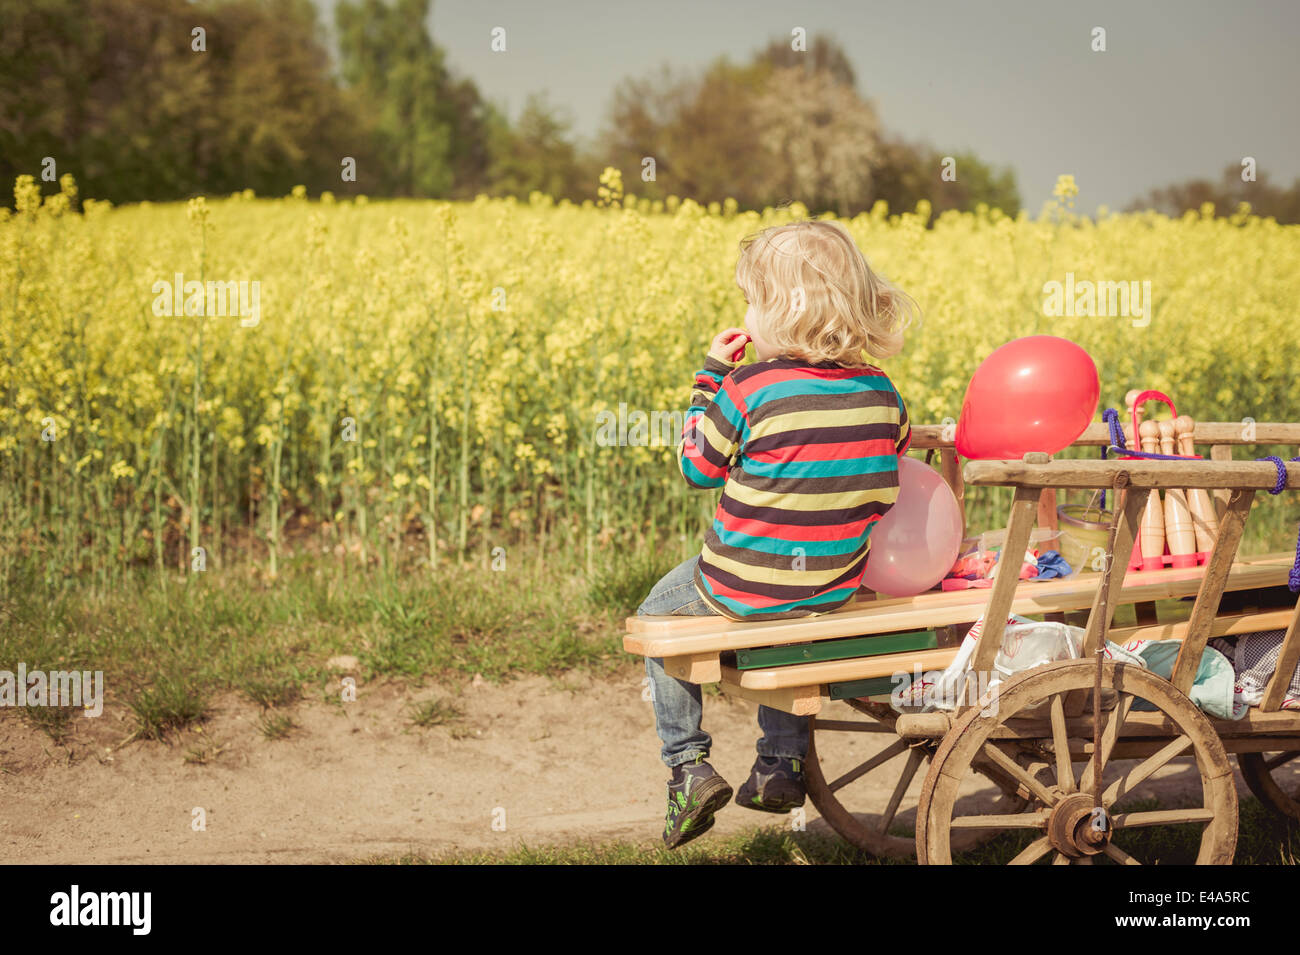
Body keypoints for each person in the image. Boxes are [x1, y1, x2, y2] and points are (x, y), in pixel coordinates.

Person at [637, 219, 918, 848]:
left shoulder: (749, 387)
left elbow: (695, 466)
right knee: (792, 629)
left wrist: (710, 377)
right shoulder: (881, 389)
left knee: (654, 620)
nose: (745, 312)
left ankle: (687, 768)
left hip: (740, 587)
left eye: (750, 299)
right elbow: (896, 447)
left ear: (783, 309)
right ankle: (780, 765)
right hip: (833, 587)